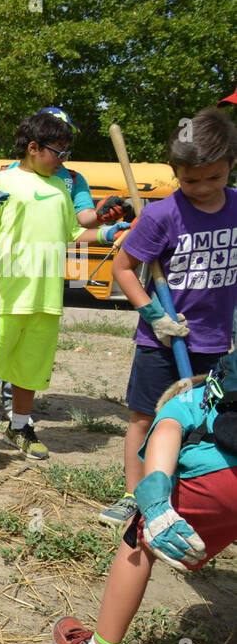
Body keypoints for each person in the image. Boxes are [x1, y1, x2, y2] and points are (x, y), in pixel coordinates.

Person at [55, 351, 237, 644]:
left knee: (137, 539)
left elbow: (166, 430)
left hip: (222, 480)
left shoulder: (190, 400)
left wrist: (154, 502)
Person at [0, 109, 129, 461]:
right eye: (58, 152)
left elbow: (75, 232)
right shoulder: (2, 181)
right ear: (33, 147)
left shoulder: (59, 188)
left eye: (67, 154)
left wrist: (110, 231)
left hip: (46, 296)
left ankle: (20, 425)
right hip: (4, 294)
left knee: (30, 369)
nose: (63, 160)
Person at [97, 107, 237, 526]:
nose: (202, 187)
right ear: (176, 172)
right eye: (189, 180)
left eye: (213, 177)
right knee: (146, 416)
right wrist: (154, 315)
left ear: (231, 163)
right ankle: (133, 493)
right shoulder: (163, 215)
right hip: (161, 341)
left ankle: (182, 489)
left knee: (205, 418)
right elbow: (122, 268)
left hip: (215, 341)